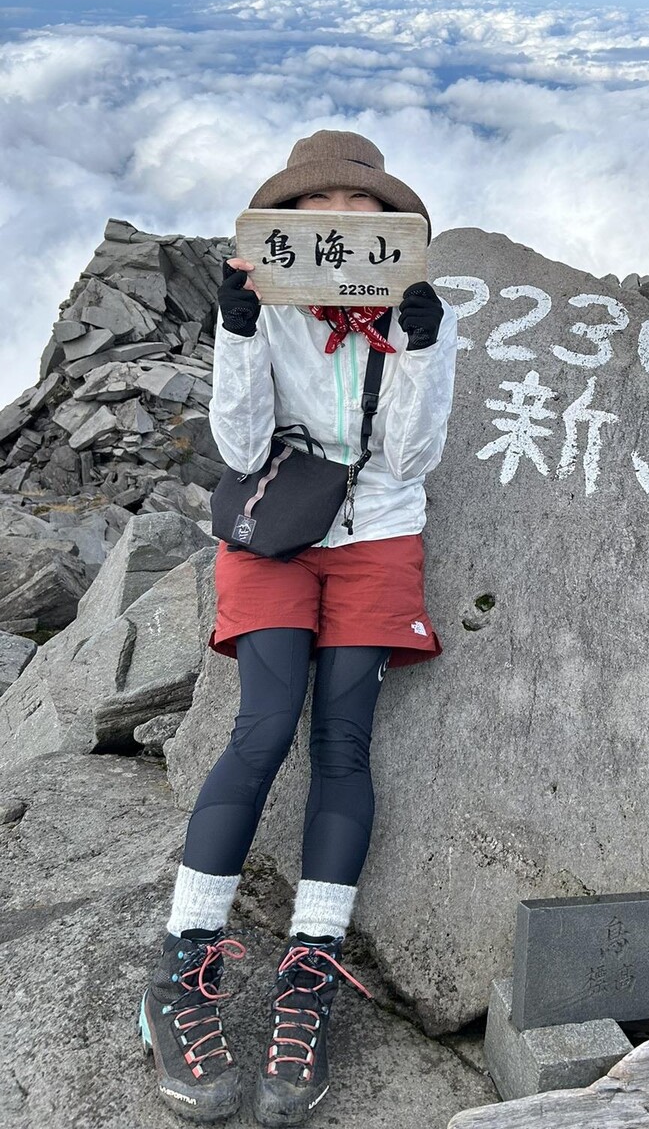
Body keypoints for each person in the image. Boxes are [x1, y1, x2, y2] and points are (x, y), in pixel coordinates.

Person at [139, 130, 457, 1127]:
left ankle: (307, 973)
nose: (345, 231)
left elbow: (409, 457)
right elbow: (237, 447)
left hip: (378, 533)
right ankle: (182, 961)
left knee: (343, 744)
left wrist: (423, 345)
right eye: (324, 213)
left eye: (366, 217)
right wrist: (236, 330)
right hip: (276, 524)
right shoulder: (270, 308)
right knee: (263, 726)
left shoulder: (413, 310)